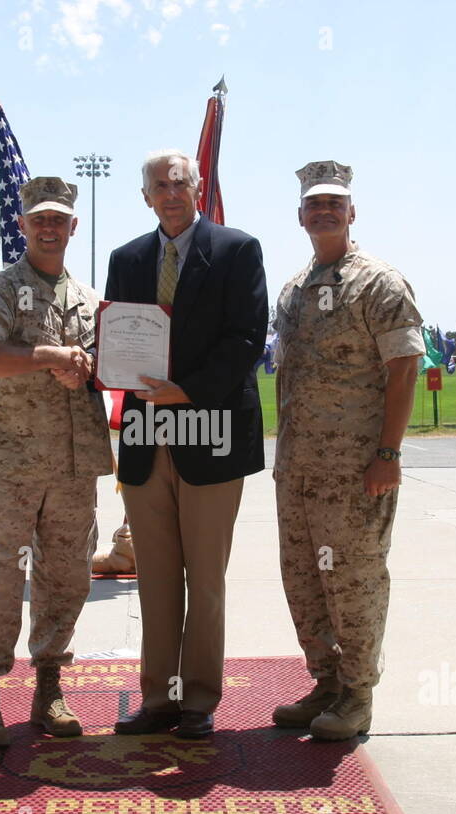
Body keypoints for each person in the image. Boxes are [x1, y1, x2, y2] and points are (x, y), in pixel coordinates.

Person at [106, 149, 268, 739]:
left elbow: (247, 337)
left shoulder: (237, 250)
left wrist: (188, 392)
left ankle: (198, 701)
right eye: (158, 185)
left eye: (180, 182)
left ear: (198, 186)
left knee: (205, 576)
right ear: (145, 195)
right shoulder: (126, 259)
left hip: (212, 433)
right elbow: (119, 335)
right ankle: (159, 701)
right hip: (147, 439)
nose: (170, 192)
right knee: (153, 576)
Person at [271, 160, 425, 741]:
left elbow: (405, 366)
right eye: (315, 204)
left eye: (335, 203)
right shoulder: (292, 291)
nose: (325, 211)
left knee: (354, 581)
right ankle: (326, 683)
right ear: (301, 217)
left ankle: (358, 694)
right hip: (300, 471)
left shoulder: (378, 283)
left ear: (352, 212)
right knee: (304, 579)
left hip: (357, 471)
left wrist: (388, 453)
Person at [0, 176, 113, 748]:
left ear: (74, 227)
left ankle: (49, 687)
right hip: (11, 466)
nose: (49, 227)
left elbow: (110, 365)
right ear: (21, 226)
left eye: (59, 219)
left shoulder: (92, 301)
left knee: (65, 579)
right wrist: (47, 356)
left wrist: (89, 366)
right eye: (38, 219)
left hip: (73, 468)